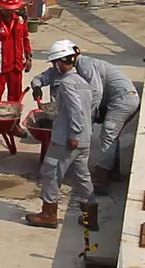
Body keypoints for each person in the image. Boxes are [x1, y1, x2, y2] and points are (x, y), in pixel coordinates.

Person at [27, 41, 95, 228]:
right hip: (84, 139)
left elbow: (76, 111)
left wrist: (73, 133)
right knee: (82, 176)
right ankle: (91, 213)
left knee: (50, 172)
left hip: (67, 139)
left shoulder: (66, 84)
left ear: (58, 63)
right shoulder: (83, 83)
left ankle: (48, 214)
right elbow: (88, 110)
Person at [77, 49, 142, 195]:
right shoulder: (77, 65)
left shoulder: (84, 65)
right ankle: (113, 171)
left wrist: (89, 114)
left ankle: (101, 177)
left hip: (123, 100)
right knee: (113, 135)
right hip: (123, 98)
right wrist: (38, 82)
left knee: (109, 134)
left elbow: (96, 91)